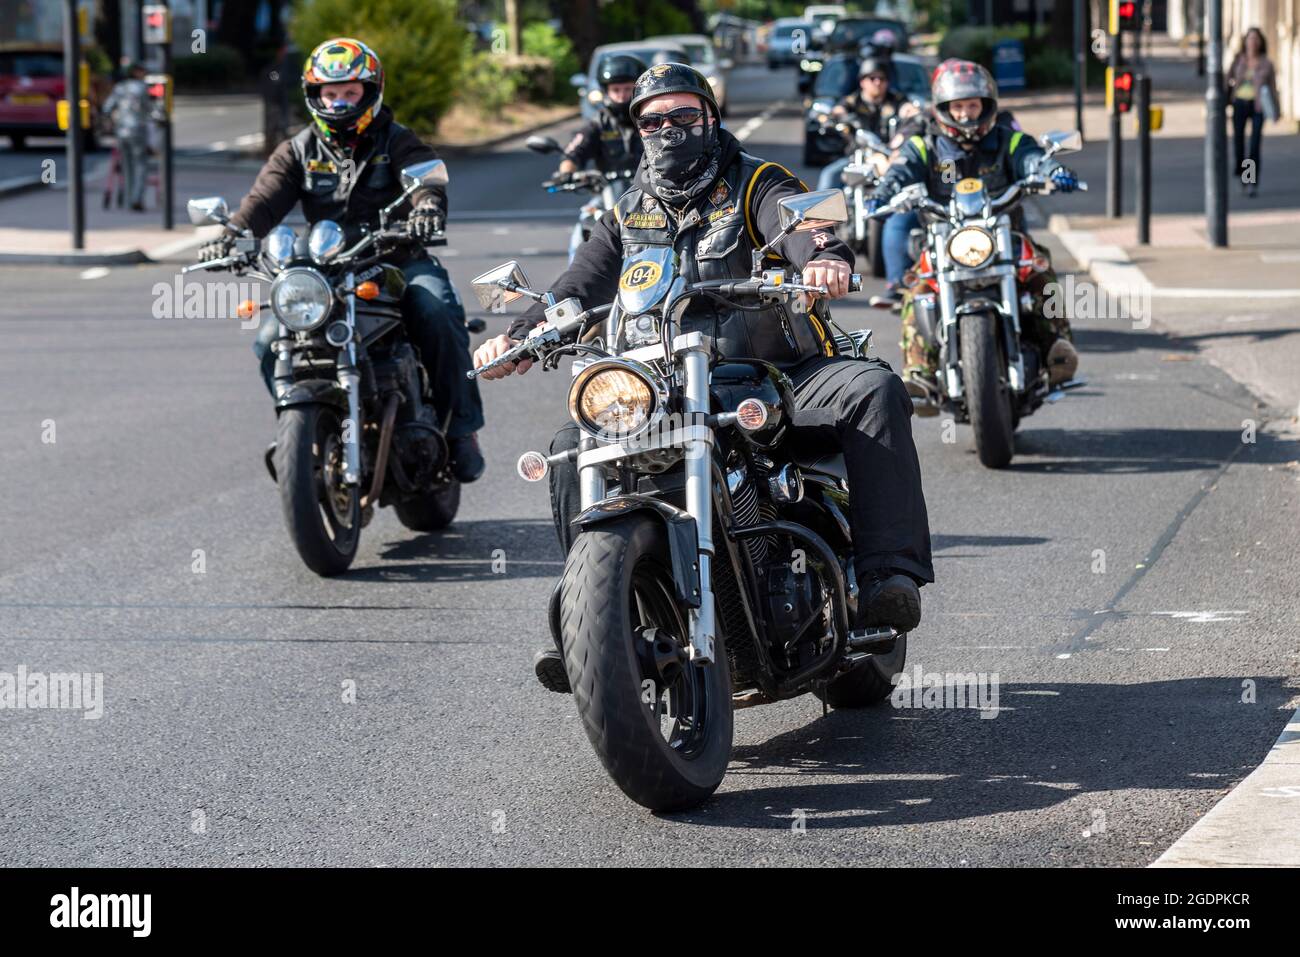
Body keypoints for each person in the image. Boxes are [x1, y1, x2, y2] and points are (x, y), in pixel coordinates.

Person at [471, 63, 934, 690]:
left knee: (873, 390)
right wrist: (525, 334)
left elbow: (804, 222)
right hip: (663, 380)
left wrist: (823, 257)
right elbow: (577, 284)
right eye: (653, 120)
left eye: (683, 115)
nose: (669, 129)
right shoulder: (629, 210)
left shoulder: (760, 181)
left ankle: (886, 576)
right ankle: (589, 618)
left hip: (782, 371)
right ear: (637, 129)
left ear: (711, 117)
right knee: (568, 445)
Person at [198, 38, 485, 481]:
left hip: (394, 258)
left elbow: (426, 177)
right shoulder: (298, 150)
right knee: (268, 337)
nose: (338, 102)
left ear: (371, 91)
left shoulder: (397, 140)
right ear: (315, 96)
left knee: (436, 309)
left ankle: (462, 430)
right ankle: (302, 427)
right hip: (324, 270)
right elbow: (265, 198)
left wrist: (427, 208)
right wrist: (231, 232)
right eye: (329, 93)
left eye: (349, 92)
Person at [870, 59, 1080, 406]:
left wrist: (1052, 169)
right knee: (915, 287)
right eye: (958, 106)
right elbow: (902, 169)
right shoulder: (925, 146)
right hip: (945, 238)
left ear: (986, 105)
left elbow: (1032, 158)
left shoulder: (1008, 141)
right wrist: (883, 192)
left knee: (1041, 268)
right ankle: (919, 371)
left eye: (972, 105)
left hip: (1003, 237)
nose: (966, 113)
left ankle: (1058, 346)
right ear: (943, 109)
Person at [554, 54, 646, 258]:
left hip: (650, 193)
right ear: (606, 91)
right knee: (583, 229)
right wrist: (566, 173)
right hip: (607, 194)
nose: (621, 95)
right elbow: (573, 152)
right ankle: (575, 287)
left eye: (627, 89)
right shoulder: (598, 123)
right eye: (616, 90)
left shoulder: (651, 120)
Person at [815, 56, 913, 192]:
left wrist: (907, 125)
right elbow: (837, 111)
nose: (877, 82)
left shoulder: (897, 101)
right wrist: (835, 118)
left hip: (888, 157)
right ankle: (819, 214)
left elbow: (911, 112)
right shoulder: (852, 101)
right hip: (857, 157)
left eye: (882, 79)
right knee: (829, 176)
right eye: (872, 78)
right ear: (862, 81)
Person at [1227, 27, 1278, 198]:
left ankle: (1250, 181)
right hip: (1240, 104)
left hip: (1258, 107)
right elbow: (1228, 80)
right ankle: (1241, 173)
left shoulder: (1266, 63)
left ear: (1260, 42)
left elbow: (1272, 88)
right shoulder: (1238, 60)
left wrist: (1275, 110)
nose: (1253, 42)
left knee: (1254, 145)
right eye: (1250, 39)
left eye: (1256, 39)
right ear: (1245, 42)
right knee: (1239, 143)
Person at [102, 62, 150, 212]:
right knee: (140, 165)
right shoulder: (142, 88)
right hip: (138, 130)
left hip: (122, 131)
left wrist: (111, 123)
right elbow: (149, 109)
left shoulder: (119, 88)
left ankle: (129, 200)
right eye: (142, 71)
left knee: (127, 167)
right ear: (136, 72)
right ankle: (137, 198)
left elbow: (107, 108)